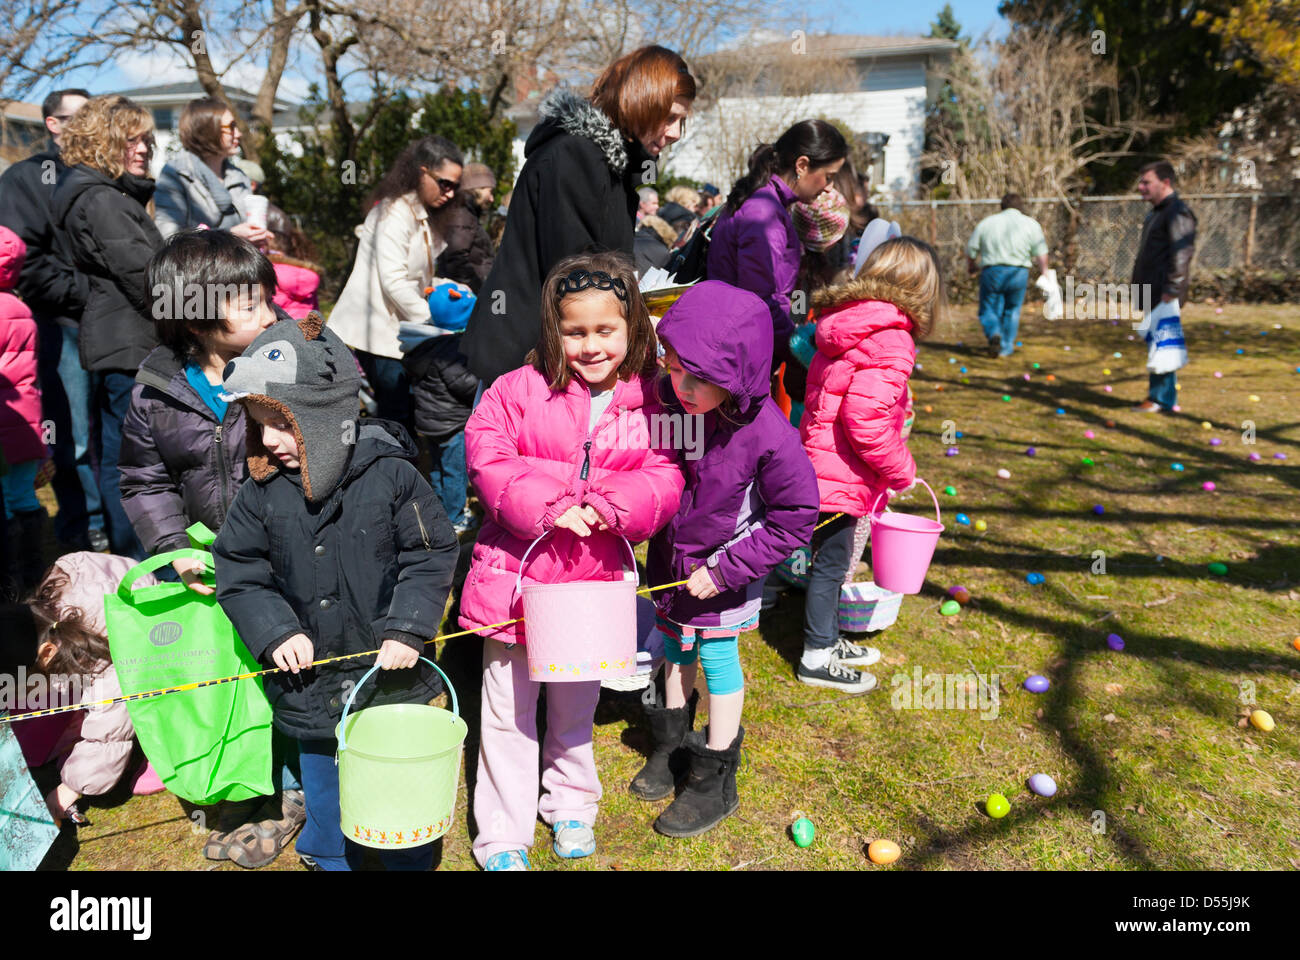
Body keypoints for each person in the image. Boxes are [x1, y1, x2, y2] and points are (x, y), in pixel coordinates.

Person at [213, 311, 460, 871]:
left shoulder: (392, 476)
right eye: (259, 427)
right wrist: (275, 631)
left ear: (323, 418)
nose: (270, 443)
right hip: (312, 685)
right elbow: (240, 569)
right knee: (325, 784)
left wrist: (409, 628)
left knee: (396, 783)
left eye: (282, 425)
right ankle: (329, 856)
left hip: (391, 681)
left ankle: (406, 858)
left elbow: (431, 553)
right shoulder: (261, 494)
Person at [460, 251, 683, 870]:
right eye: (574, 331)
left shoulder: (652, 403)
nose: (590, 346)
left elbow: (665, 477)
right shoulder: (517, 389)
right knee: (506, 709)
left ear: (632, 327)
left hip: (589, 581)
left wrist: (616, 505)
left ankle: (572, 803)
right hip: (514, 579)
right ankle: (503, 833)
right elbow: (487, 456)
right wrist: (550, 505)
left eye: (605, 330)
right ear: (552, 330)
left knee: (573, 704)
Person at [634, 281, 817, 838]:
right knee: (672, 646)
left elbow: (795, 515)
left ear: (737, 377)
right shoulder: (673, 401)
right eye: (676, 367)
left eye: (701, 379)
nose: (682, 386)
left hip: (722, 577)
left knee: (716, 659)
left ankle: (715, 771)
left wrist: (724, 570)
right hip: (670, 566)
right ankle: (670, 743)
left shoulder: (769, 436)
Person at [462, 45, 695, 388]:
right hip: (529, 368)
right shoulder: (578, 156)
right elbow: (577, 279)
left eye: (682, 121)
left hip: (555, 360)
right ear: (641, 100)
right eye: (670, 117)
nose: (675, 132)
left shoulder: (608, 163)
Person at [798, 237, 942, 691]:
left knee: (827, 560)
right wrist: (901, 469)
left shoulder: (848, 322)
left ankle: (828, 636)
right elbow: (866, 421)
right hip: (842, 472)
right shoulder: (893, 338)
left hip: (822, 462)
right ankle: (816, 656)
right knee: (831, 565)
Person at [53, 94, 164, 561]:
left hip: (125, 343)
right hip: (128, 345)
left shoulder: (108, 195)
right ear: (102, 141)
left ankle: (136, 562)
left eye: (147, 140)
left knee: (127, 456)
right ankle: (139, 568)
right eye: (130, 139)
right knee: (134, 464)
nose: (142, 148)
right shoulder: (102, 200)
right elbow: (147, 280)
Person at [0, 88, 105, 554]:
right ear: (53, 124)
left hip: (114, 328)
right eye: (79, 117)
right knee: (74, 439)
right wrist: (92, 295)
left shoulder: (103, 176)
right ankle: (82, 531)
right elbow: (27, 261)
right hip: (63, 326)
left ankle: (115, 526)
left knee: (114, 435)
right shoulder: (26, 179)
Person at [0, 553, 163, 828]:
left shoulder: (103, 661)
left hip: (159, 650)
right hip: (100, 598)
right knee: (30, 720)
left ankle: (154, 749)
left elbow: (109, 731)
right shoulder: (42, 623)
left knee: (116, 733)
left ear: (47, 653)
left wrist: (70, 789)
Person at [328, 136, 464, 427]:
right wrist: (434, 322)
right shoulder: (393, 213)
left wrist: (448, 289)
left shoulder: (424, 217)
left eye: (455, 186)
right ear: (422, 172)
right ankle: (394, 469)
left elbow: (418, 278)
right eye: (445, 183)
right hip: (376, 333)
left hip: (398, 331)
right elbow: (394, 282)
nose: (451, 193)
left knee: (402, 413)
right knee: (396, 416)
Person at [707, 119, 848, 371]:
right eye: (828, 177)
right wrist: (799, 353)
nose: (829, 188)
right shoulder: (764, 214)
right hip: (737, 355)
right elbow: (757, 301)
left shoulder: (766, 202)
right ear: (802, 165)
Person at [0, 226, 49, 593]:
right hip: (27, 423)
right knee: (22, 496)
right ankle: (35, 576)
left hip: (4, 423)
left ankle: (6, 580)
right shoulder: (21, 308)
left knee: (2, 502)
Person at [152, 98, 272, 245]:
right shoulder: (176, 174)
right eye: (232, 127)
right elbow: (170, 239)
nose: (239, 134)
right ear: (208, 130)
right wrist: (230, 236)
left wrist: (258, 237)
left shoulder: (240, 177)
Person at [1131, 160, 1197, 413]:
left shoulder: (1177, 212)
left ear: (1165, 182)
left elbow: (1182, 254)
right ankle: (1162, 397)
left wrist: (1172, 289)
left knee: (1163, 344)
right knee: (1157, 342)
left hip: (1163, 292)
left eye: (1147, 182)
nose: (1141, 187)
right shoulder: (1157, 213)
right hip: (1151, 290)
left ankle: (1161, 399)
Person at [965, 193, 1049, 358]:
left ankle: (994, 333)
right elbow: (1041, 252)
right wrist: (1044, 271)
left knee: (989, 308)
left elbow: (971, 249)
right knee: (1012, 309)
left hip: (992, 271)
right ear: (1021, 206)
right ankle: (1005, 347)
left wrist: (972, 266)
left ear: (1001, 206)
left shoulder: (987, 223)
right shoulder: (1031, 224)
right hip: (1019, 272)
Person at [432, 162, 496, 293]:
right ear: (478, 188)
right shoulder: (461, 214)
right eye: (490, 191)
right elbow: (456, 259)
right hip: (464, 297)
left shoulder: (466, 213)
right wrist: (479, 289)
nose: (491, 199)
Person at [266, 205, 322, 320]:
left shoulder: (266, 272)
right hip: (306, 335)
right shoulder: (309, 274)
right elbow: (316, 315)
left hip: (276, 334)